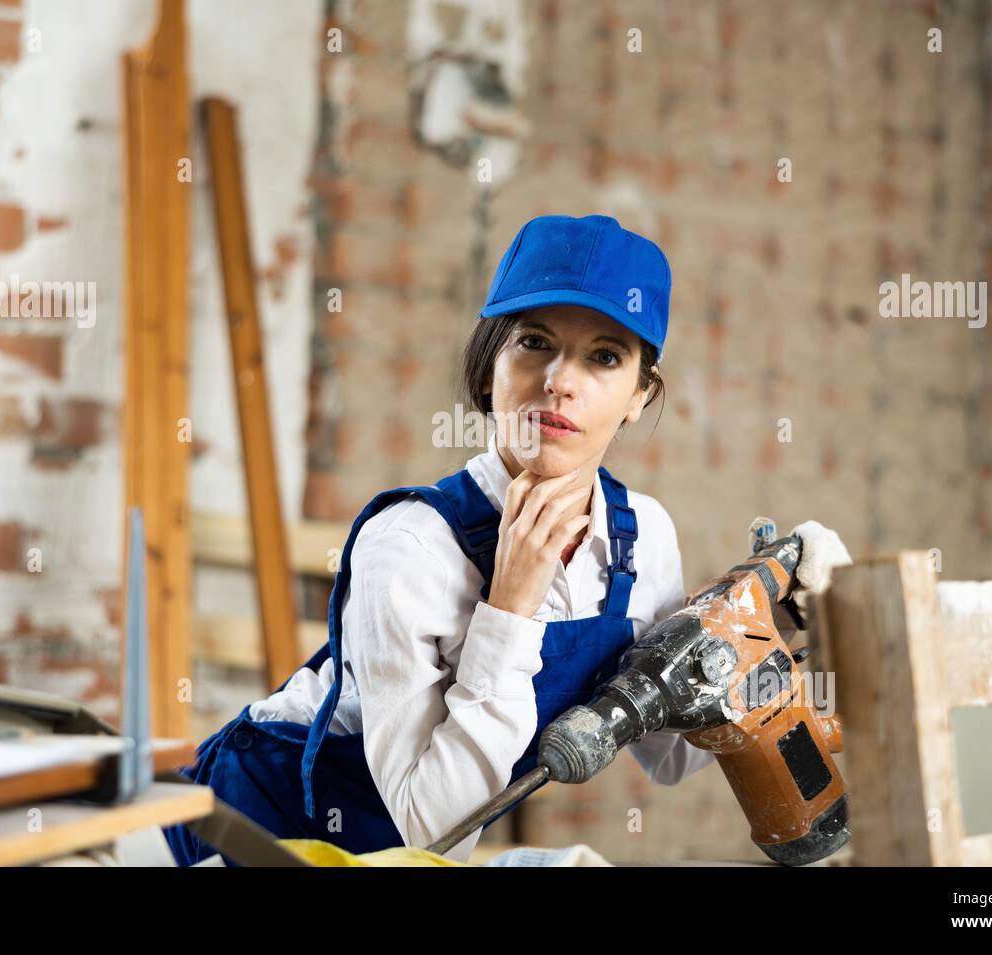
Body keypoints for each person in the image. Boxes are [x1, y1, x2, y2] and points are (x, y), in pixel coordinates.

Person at [164, 214, 851, 865]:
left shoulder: (640, 538)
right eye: (535, 343)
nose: (559, 382)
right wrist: (508, 611)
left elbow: (671, 756)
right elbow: (434, 835)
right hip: (252, 837)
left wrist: (771, 628)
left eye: (604, 357)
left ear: (640, 394)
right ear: (490, 363)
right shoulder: (408, 546)